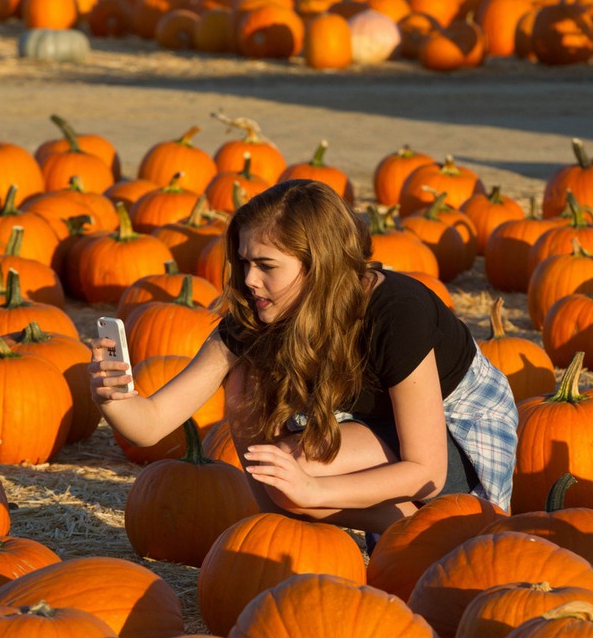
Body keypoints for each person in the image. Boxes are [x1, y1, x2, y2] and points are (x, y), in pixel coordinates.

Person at [89, 178, 518, 535]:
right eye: (244, 262)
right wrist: (116, 399)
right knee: (246, 388)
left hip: (451, 437)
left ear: (320, 265)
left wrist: (313, 492)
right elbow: (149, 426)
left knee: (292, 474)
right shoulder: (256, 314)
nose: (250, 280)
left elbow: (426, 468)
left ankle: (413, 529)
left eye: (267, 265)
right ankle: (354, 519)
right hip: (365, 428)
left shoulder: (396, 313)